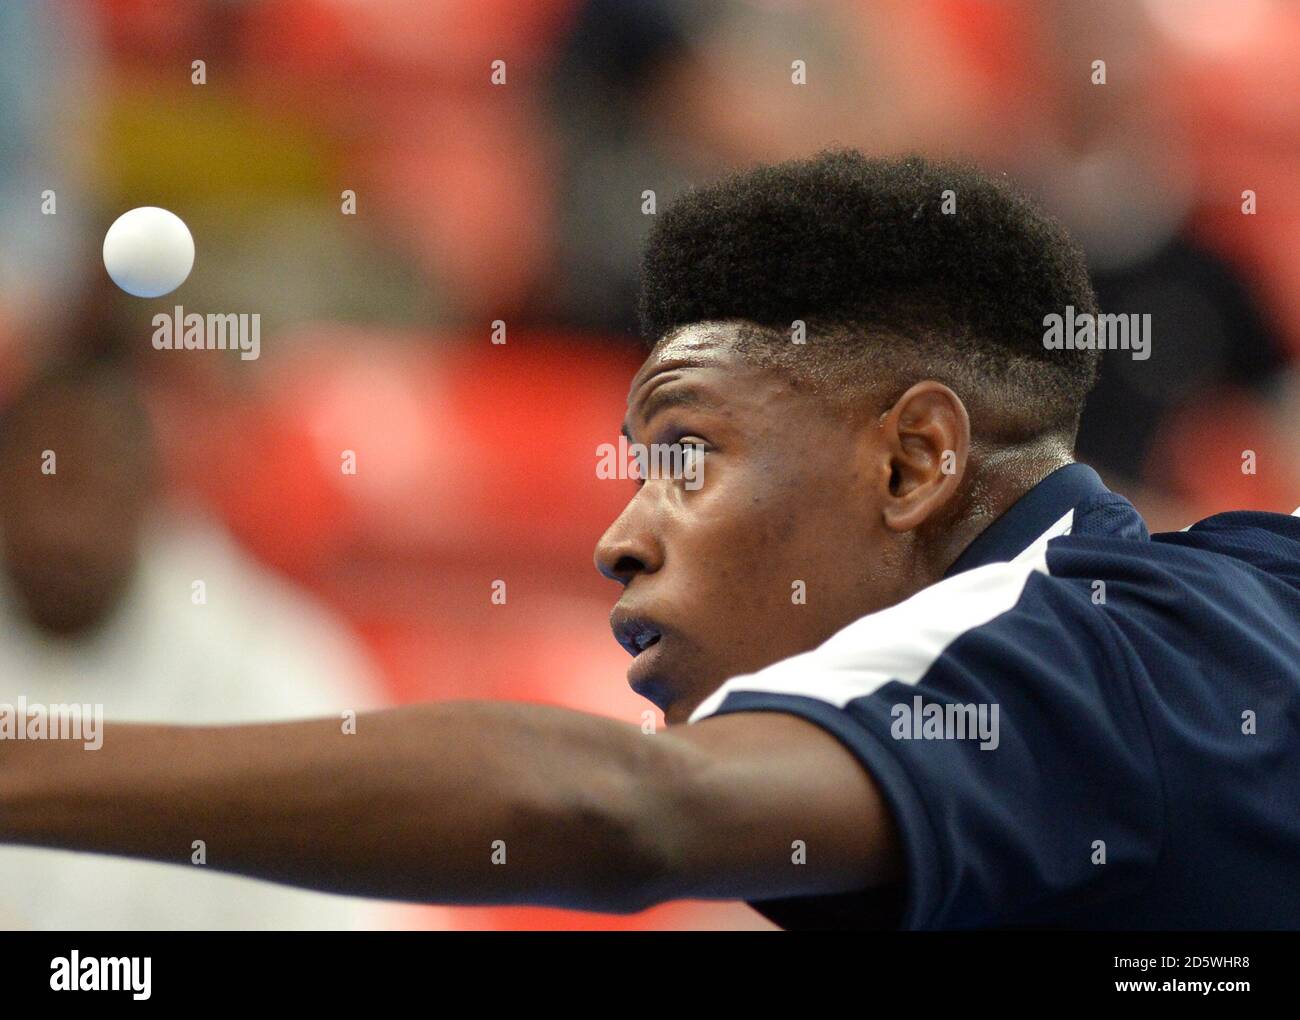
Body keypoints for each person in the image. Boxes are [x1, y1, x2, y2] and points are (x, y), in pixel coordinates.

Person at [2, 151, 1298, 929]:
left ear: (912, 463)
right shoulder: (1246, 580)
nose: (620, 540)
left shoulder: (1041, 671)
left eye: (687, 457)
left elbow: (621, 810)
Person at [0, 360, 391, 930]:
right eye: (43, 478)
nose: (63, 525)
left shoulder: (276, 667)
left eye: (94, 480)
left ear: (154, 494)